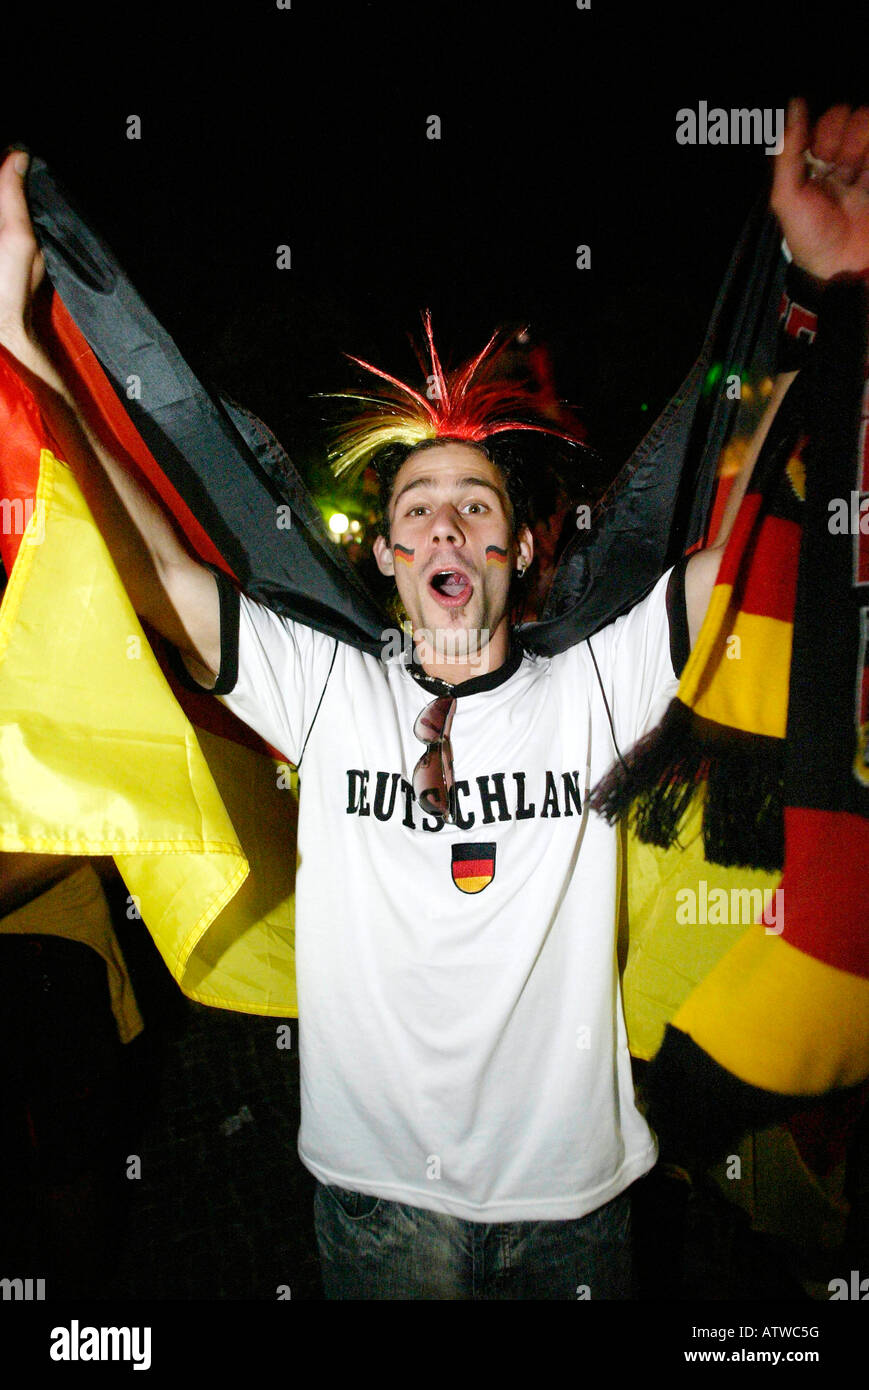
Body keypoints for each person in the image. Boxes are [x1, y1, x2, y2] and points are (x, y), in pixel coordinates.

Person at [1, 97, 867, 1299]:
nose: (443, 520)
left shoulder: (599, 681)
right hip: (374, 1208)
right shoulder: (325, 688)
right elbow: (157, 577)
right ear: (391, 558)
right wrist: (34, 353)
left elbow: (781, 521)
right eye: (415, 507)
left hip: (575, 1212)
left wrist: (836, 293)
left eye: (474, 504)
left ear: (519, 551)